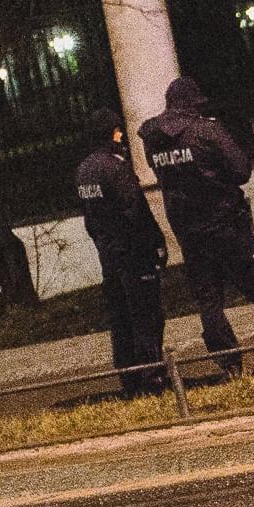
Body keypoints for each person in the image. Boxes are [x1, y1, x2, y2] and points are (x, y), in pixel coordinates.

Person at [139, 76, 254, 377]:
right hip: (227, 225)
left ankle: (229, 365)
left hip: (189, 232)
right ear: (192, 103)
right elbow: (241, 170)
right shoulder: (206, 131)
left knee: (209, 299)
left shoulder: (153, 139)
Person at [75, 108, 168, 398]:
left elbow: (90, 218)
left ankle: (129, 378)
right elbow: (136, 211)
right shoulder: (115, 167)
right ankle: (152, 377)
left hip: (109, 254)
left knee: (121, 317)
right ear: (113, 133)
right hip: (133, 253)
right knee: (146, 316)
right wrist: (155, 242)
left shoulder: (84, 170)